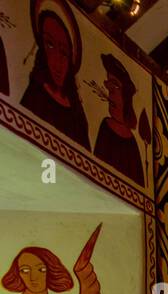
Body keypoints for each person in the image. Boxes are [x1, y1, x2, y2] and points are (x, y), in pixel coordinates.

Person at [21, 0, 89, 148]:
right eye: (50, 45)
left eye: (64, 53)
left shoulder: (77, 113)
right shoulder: (35, 95)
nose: (57, 61)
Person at [93, 54, 143, 185]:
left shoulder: (132, 142)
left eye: (115, 89)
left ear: (126, 97)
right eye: (110, 91)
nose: (111, 97)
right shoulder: (106, 126)